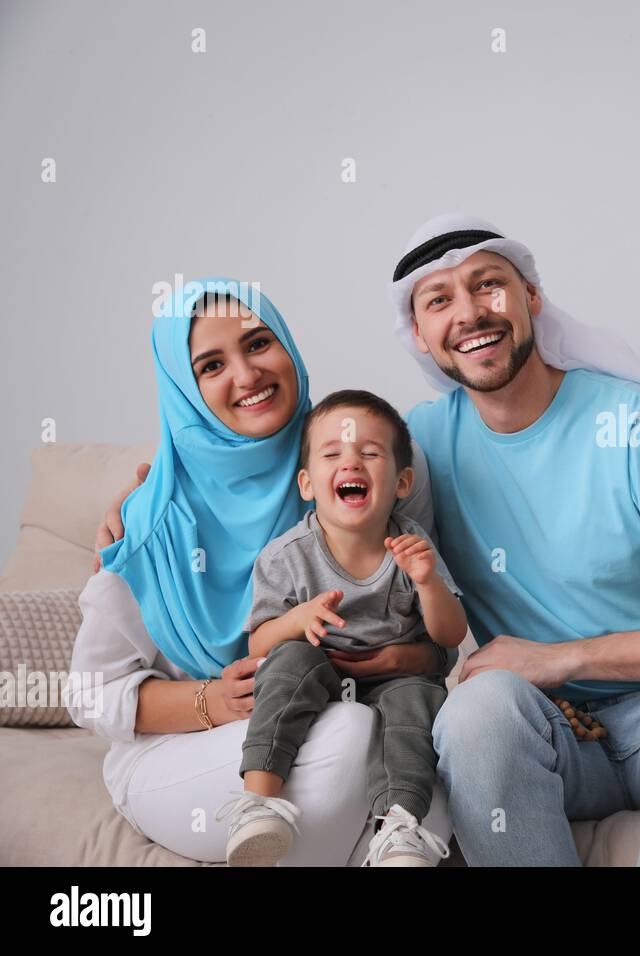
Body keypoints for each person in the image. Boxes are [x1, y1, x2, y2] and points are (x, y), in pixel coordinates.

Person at [389, 213, 640, 866]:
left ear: (531, 298)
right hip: (553, 741)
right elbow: (324, 514)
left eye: (488, 285)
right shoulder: (425, 444)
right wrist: (162, 494)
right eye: (439, 300)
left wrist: (563, 659)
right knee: (474, 712)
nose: (468, 313)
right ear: (420, 334)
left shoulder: (635, 424)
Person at [69, 280, 449, 865]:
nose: (246, 375)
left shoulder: (359, 463)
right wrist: (213, 701)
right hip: (183, 747)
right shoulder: (149, 520)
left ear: (289, 349)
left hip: (360, 707)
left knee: (414, 749)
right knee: (349, 733)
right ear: (185, 391)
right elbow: (90, 695)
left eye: (258, 343)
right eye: (212, 364)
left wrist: (410, 660)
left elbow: (424, 626)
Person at [226, 389, 466, 867]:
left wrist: (429, 584)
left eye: (369, 453)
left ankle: (401, 827)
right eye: (332, 453)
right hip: (321, 675)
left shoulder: (411, 546)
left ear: (401, 482)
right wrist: (297, 620)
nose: (351, 463)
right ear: (307, 483)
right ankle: (258, 802)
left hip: (398, 678)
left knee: (416, 701)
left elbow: (450, 636)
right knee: (288, 660)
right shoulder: (286, 555)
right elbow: (258, 643)